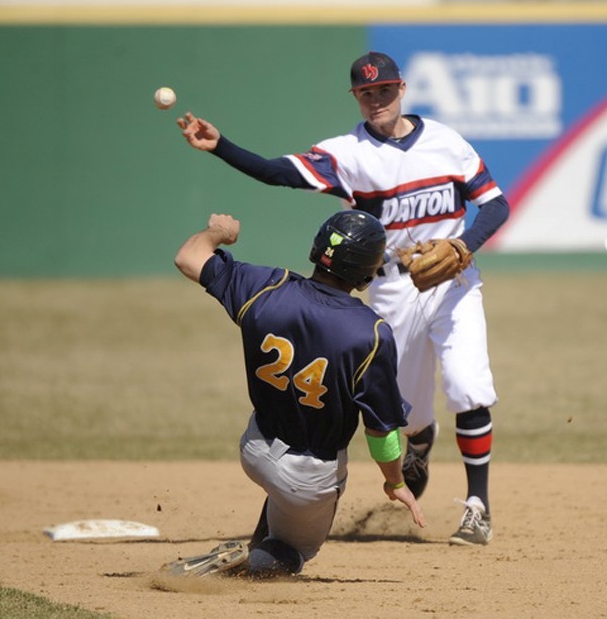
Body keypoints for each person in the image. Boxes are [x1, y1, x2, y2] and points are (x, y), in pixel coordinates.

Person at [177, 51, 508, 546]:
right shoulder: (347, 154)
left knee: (468, 385)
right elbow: (275, 172)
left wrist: (464, 247)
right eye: (365, 93)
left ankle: (477, 507)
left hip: (455, 284)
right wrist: (220, 145)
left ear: (402, 89)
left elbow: (496, 205)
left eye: (385, 90)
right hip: (393, 288)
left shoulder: (446, 142)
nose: (376, 100)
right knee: (408, 412)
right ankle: (421, 439)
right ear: (356, 97)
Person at [166, 209, 425, 578]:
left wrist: (217, 232)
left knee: (282, 494)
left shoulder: (266, 286)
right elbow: (380, 432)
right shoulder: (370, 333)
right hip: (307, 477)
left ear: (317, 248)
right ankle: (238, 564)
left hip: (255, 447)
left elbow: (188, 258)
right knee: (292, 552)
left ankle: (258, 541)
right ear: (367, 274)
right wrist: (395, 482)